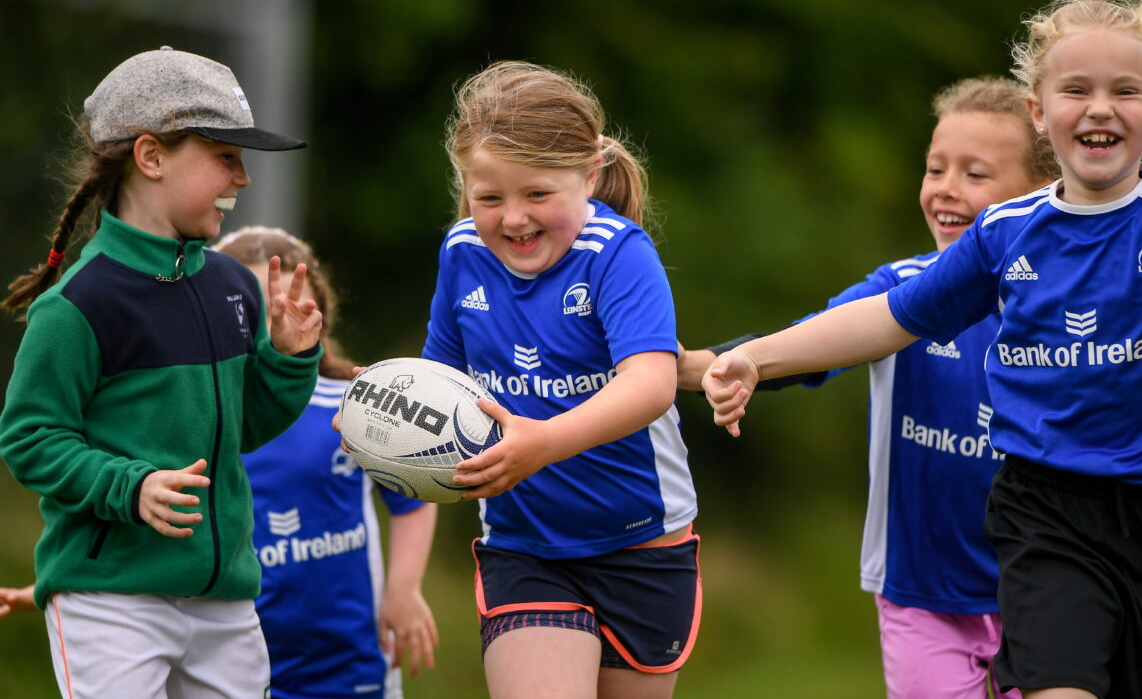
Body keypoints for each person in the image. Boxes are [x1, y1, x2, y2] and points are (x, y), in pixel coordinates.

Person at [703, 0, 1142, 699]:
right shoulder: (1007, 232)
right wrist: (757, 356)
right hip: (1046, 512)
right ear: (1038, 110)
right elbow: (885, 317)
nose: (1099, 107)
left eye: (1126, 91)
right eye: (1076, 89)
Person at [679, 76, 1057, 698]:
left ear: (1038, 194)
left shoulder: (1065, 302)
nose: (947, 189)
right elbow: (806, 346)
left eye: (976, 174)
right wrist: (687, 367)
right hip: (919, 589)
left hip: (1044, 583)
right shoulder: (902, 288)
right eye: (936, 168)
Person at [0, 47, 322, 698]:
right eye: (224, 157)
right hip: (107, 598)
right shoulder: (76, 307)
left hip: (225, 601)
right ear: (150, 157)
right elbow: (29, 439)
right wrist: (130, 485)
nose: (243, 179)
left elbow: (245, 424)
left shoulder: (233, 284)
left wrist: (285, 360)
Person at [422, 60, 699, 699]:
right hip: (524, 548)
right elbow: (442, 378)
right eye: (489, 198)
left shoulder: (620, 254)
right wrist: (385, 409)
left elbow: (651, 384)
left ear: (589, 176)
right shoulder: (462, 252)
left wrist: (542, 442)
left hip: (642, 548)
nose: (512, 219)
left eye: (537, 194)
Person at [215, 225, 440, 697]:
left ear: (317, 312)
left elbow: (415, 498)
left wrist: (404, 589)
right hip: (227, 664)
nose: (269, 319)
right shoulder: (201, 417)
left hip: (350, 663)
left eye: (285, 303)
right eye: (249, 306)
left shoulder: (356, 407)